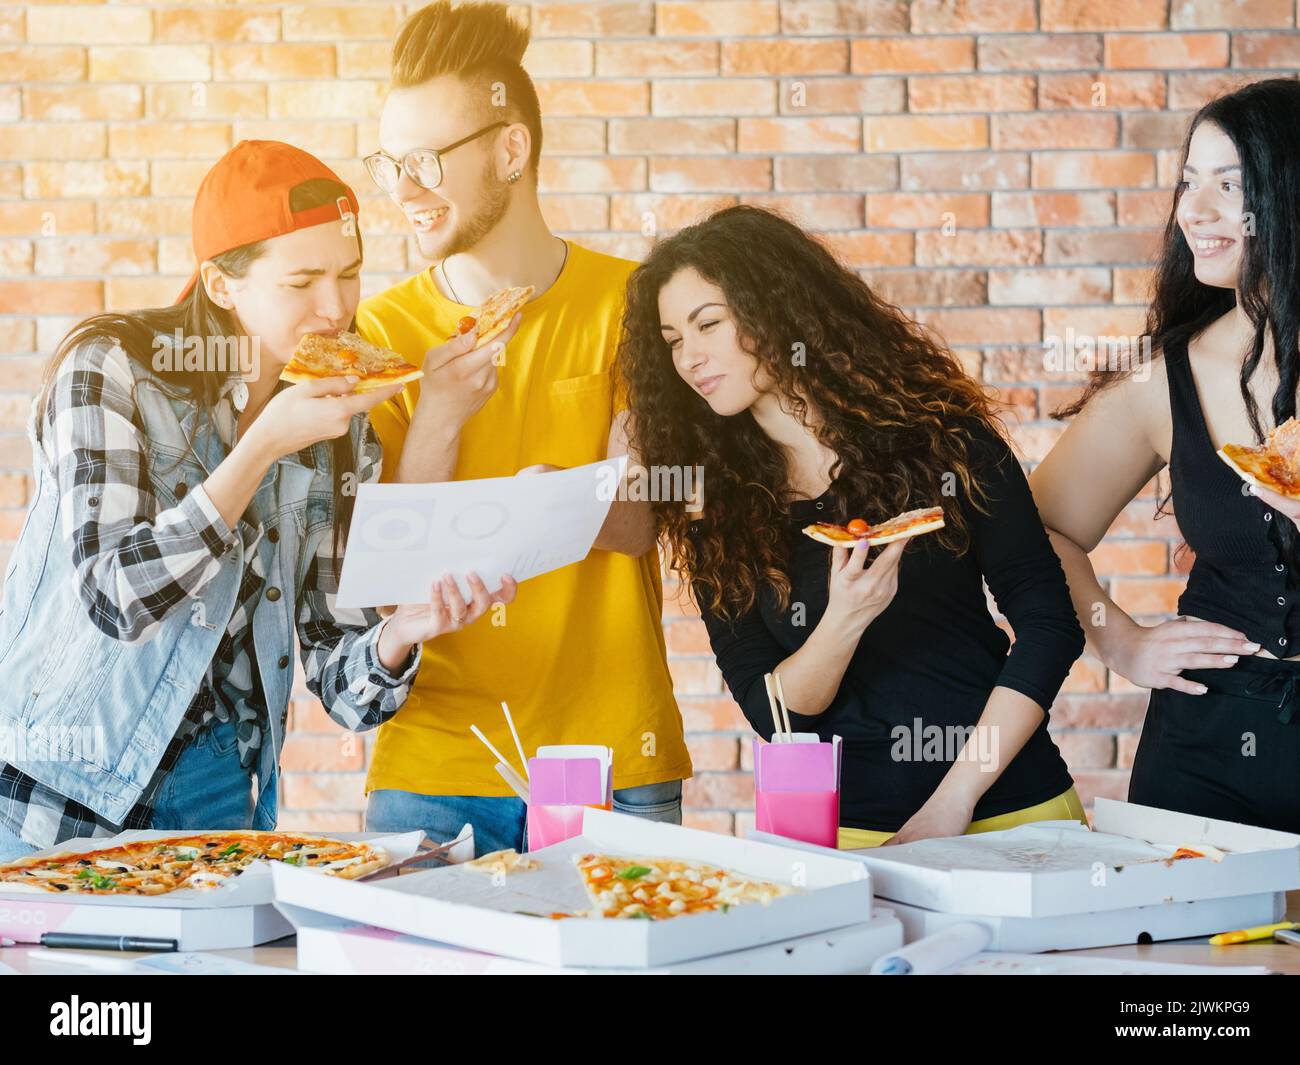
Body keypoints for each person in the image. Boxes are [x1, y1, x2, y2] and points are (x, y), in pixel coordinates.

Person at [0, 140, 512, 862]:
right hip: (57, 781)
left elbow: (346, 689)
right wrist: (260, 447)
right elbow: (115, 598)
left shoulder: (340, 420)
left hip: (217, 788)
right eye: (302, 281)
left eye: (350, 273)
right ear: (220, 283)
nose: (335, 307)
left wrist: (403, 630)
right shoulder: (108, 370)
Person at [617, 204, 1088, 847]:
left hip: (1012, 814)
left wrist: (953, 801)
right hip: (854, 838)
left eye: (709, 324)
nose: (690, 357)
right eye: (673, 341)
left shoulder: (943, 440)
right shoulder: (714, 507)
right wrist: (845, 619)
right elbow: (774, 715)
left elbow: (1050, 626)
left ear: (776, 310)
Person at [355, 0, 690, 853]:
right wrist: (438, 418)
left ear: (512, 149)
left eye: (426, 160)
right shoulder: (379, 337)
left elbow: (639, 514)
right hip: (430, 767)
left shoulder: (634, 305)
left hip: (611, 754)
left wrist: (538, 507)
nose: (402, 190)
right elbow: (392, 577)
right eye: (390, 163)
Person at [1031, 79, 1300, 833]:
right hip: (1204, 751)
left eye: (1228, 185)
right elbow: (1041, 526)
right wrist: (1122, 641)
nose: (1192, 210)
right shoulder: (1162, 379)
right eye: (1188, 181)